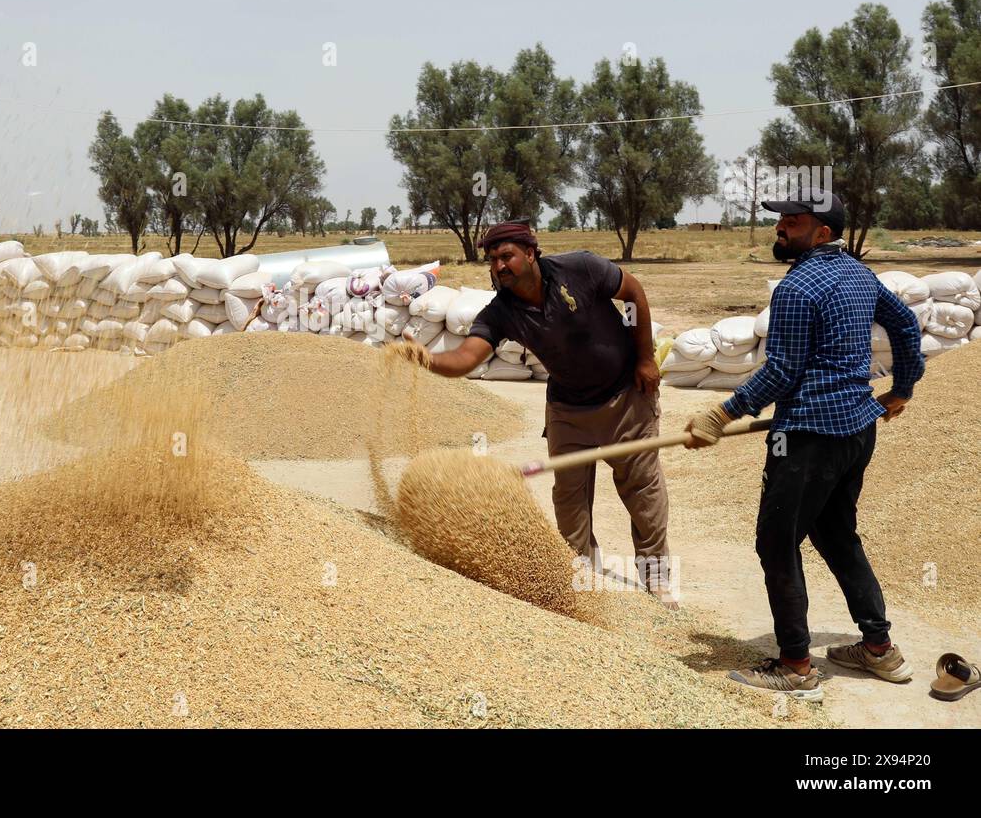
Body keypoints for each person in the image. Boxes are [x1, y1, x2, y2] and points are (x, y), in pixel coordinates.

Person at [685, 190, 925, 701]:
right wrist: (902, 387)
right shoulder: (861, 274)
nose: (780, 229)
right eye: (781, 222)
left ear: (821, 232)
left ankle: (795, 665)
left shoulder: (796, 288)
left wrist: (722, 413)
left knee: (775, 543)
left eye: (792, 223)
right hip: (858, 428)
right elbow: (906, 325)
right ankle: (880, 650)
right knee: (838, 536)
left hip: (808, 437)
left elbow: (783, 371)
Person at [393, 221, 675, 606]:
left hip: (626, 398)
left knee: (642, 492)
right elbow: (466, 357)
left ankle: (656, 578)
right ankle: (582, 581)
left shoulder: (582, 268)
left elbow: (634, 292)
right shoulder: (501, 312)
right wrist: (427, 360)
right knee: (570, 501)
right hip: (567, 409)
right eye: (493, 260)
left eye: (506, 256)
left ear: (530, 252)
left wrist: (644, 358)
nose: (499, 267)